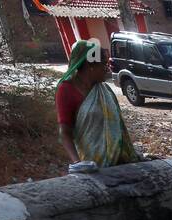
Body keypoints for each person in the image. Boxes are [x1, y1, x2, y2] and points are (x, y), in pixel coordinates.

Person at [56, 38, 140, 170]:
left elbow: (118, 128)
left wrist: (132, 154)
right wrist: (78, 163)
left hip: (117, 162)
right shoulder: (67, 90)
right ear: (90, 66)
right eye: (104, 65)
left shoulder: (104, 90)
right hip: (91, 165)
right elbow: (65, 132)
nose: (107, 69)